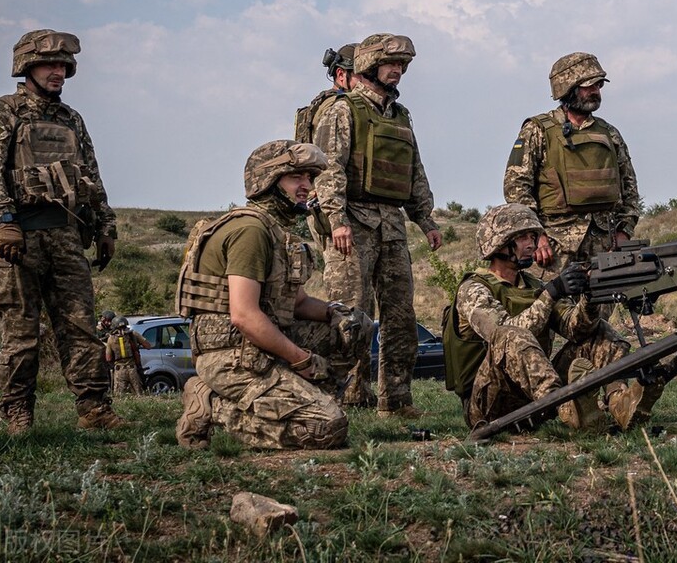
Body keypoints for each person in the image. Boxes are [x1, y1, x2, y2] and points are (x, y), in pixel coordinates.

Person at [173, 140, 372, 450]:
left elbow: (298, 304)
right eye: (297, 178)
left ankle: (311, 403)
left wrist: (338, 314)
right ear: (268, 182)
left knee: (354, 323)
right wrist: (301, 359)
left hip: (259, 344)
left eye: (309, 177)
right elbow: (244, 315)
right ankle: (212, 403)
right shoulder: (250, 231)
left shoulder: (277, 232)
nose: (307, 186)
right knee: (326, 431)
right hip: (232, 356)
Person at [0, 29, 124, 434]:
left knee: (81, 329)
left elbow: (91, 175)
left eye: (64, 66)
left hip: (67, 239)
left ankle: (94, 408)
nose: (59, 72)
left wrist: (106, 225)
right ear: (27, 66)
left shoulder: (72, 119)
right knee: (21, 333)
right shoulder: (8, 112)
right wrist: (5, 223)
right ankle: (18, 413)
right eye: (51, 64)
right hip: (19, 242)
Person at [311, 34, 441, 416]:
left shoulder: (400, 116)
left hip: (392, 225)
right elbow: (328, 167)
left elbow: (414, 171)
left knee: (401, 317)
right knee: (351, 315)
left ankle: (396, 399)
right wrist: (336, 219)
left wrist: (425, 218)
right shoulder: (342, 110)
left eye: (402, 65)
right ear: (369, 66)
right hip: (353, 222)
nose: (398, 71)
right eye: (391, 64)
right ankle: (346, 397)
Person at [442, 203, 658, 431]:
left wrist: (590, 296)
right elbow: (506, 333)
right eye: (522, 237)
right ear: (500, 244)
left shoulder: (534, 286)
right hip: (487, 404)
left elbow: (576, 329)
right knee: (511, 336)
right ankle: (566, 406)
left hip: (535, 399)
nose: (531, 244)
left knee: (599, 331)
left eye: (533, 236)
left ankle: (619, 402)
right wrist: (552, 292)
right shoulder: (473, 289)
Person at [503, 52, 641, 281]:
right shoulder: (538, 130)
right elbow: (516, 187)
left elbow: (629, 189)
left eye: (598, 85)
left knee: (598, 315)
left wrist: (623, 231)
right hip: (553, 250)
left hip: (604, 249)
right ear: (568, 88)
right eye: (589, 86)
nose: (596, 91)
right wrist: (535, 236)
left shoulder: (609, 134)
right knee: (550, 313)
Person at [294, 43, 358, 144]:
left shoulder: (325, 102)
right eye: (362, 75)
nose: (368, 80)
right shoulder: (337, 106)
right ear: (341, 74)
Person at [104, 316, 151, 396]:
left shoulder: (110, 339)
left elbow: (108, 358)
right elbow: (148, 346)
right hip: (133, 369)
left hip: (119, 370)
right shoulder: (133, 334)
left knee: (119, 397)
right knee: (139, 395)